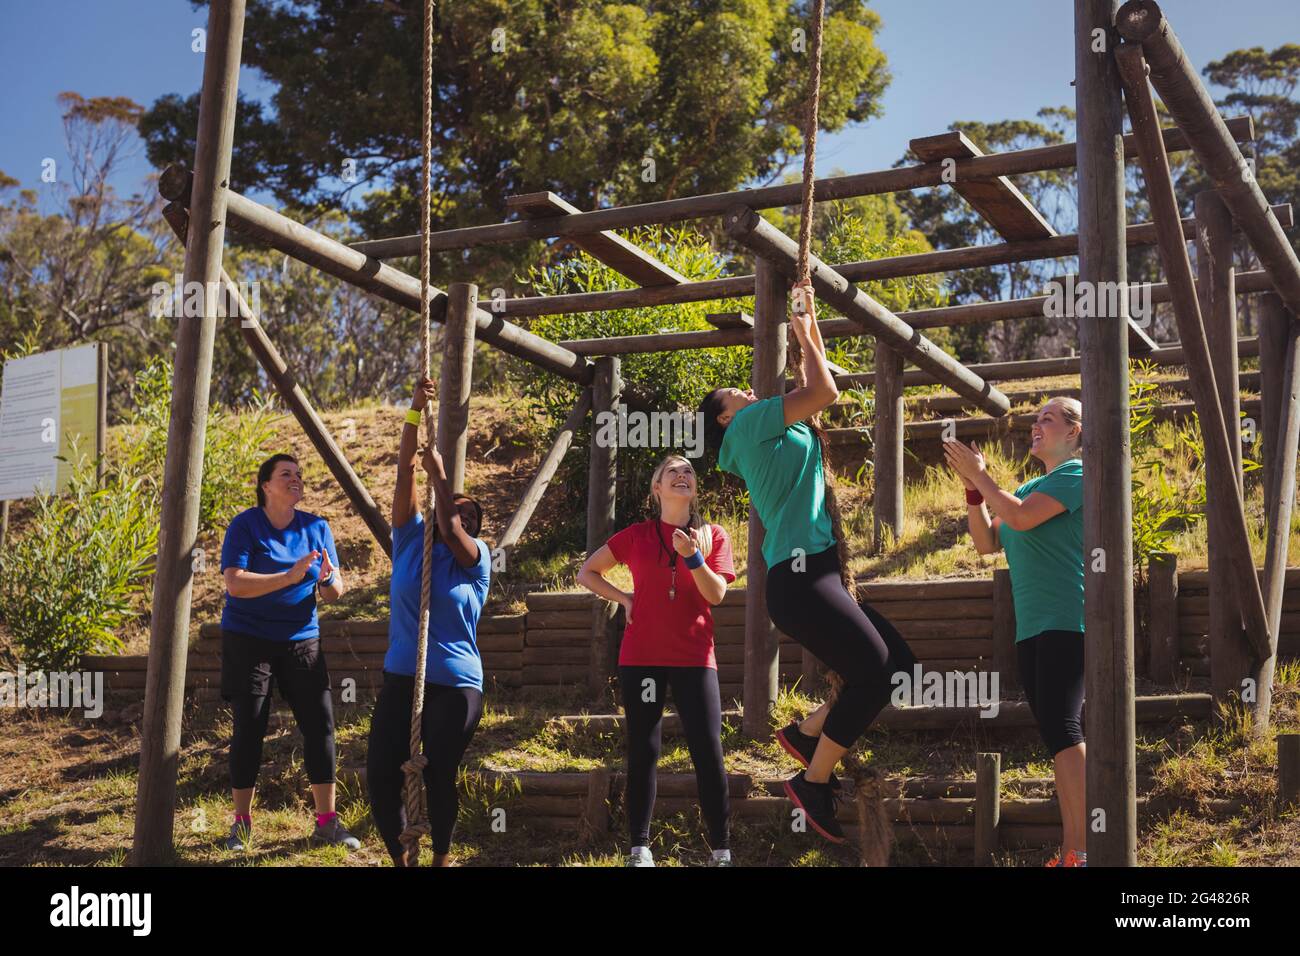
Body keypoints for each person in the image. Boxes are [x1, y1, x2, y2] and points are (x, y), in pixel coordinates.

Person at [698, 282, 917, 845]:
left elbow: (812, 384)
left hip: (815, 570)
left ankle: (807, 731)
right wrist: (800, 333)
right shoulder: (749, 428)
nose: (747, 391)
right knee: (872, 668)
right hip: (798, 579)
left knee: (899, 665)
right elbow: (824, 390)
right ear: (724, 419)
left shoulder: (772, 429)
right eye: (736, 394)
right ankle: (812, 779)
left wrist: (809, 321)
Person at [943, 396, 1086, 867]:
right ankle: (1073, 850)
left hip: (1069, 620)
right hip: (1033, 629)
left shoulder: (1076, 476)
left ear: (1074, 432)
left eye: (1047, 419)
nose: (1035, 426)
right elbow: (986, 541)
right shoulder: (1029, 484)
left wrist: (983, 477)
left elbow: (1022, 517)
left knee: (1066, 730)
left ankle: (1085, 850)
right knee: (1057, 736)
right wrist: (971, 489)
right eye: (1034, 420)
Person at [577, 454, 737, 867]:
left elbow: (716, 594)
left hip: (695, 656)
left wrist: (692, 557)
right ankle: (639, 848)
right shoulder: (636, 536)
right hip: (642, 656)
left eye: (689, 472)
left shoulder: (713, 535)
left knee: (708, 749)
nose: (683, 475)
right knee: (644, 749)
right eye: (673, 472)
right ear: (657, 489)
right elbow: (587, 573)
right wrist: (624, 598)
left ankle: (721, 851)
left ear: (694, 489)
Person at [367, 376, 491, 867]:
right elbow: (404, 474)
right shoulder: (410, 543)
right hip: (402, 676)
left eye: (472, 517)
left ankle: (440, 858)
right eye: (458, 507)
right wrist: (414, 411)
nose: (464, 518)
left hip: (457, 683)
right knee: (379, 773)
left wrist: (442, 479)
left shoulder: (476, 560)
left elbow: (452, 526)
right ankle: (401, 860)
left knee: (439, 770)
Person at [219, 453, 359, 852]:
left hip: (302, 639)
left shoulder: (317, 527)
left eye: (299, 475)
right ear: (265, 485)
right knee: (250, 727)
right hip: (249, 639)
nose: (296, 479)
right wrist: (289, 576)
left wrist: (328, 578)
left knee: (320, 725)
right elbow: (235, 584)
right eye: (286, 474)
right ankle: (241, 825)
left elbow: (335, 590)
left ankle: (327, 822)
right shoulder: (245, 525)